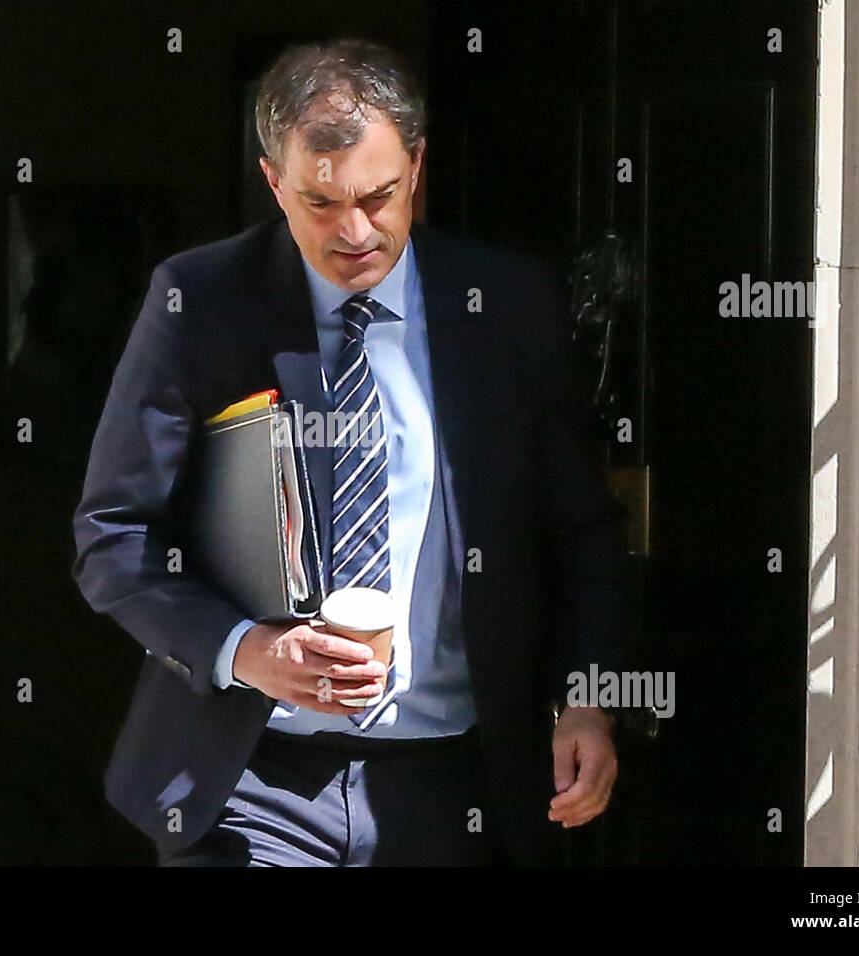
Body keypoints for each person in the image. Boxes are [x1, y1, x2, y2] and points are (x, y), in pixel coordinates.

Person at [71, 37, 631, 866]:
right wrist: (245, 651)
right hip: (251, 778)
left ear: (418, 163)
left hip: (455, 779)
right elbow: (114, 535)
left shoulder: (509, 305)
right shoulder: (200, 302)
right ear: (273, 181)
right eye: (320, 203)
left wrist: (587, 698)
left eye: (380, 195)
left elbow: (579, 528)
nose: (356, 231)